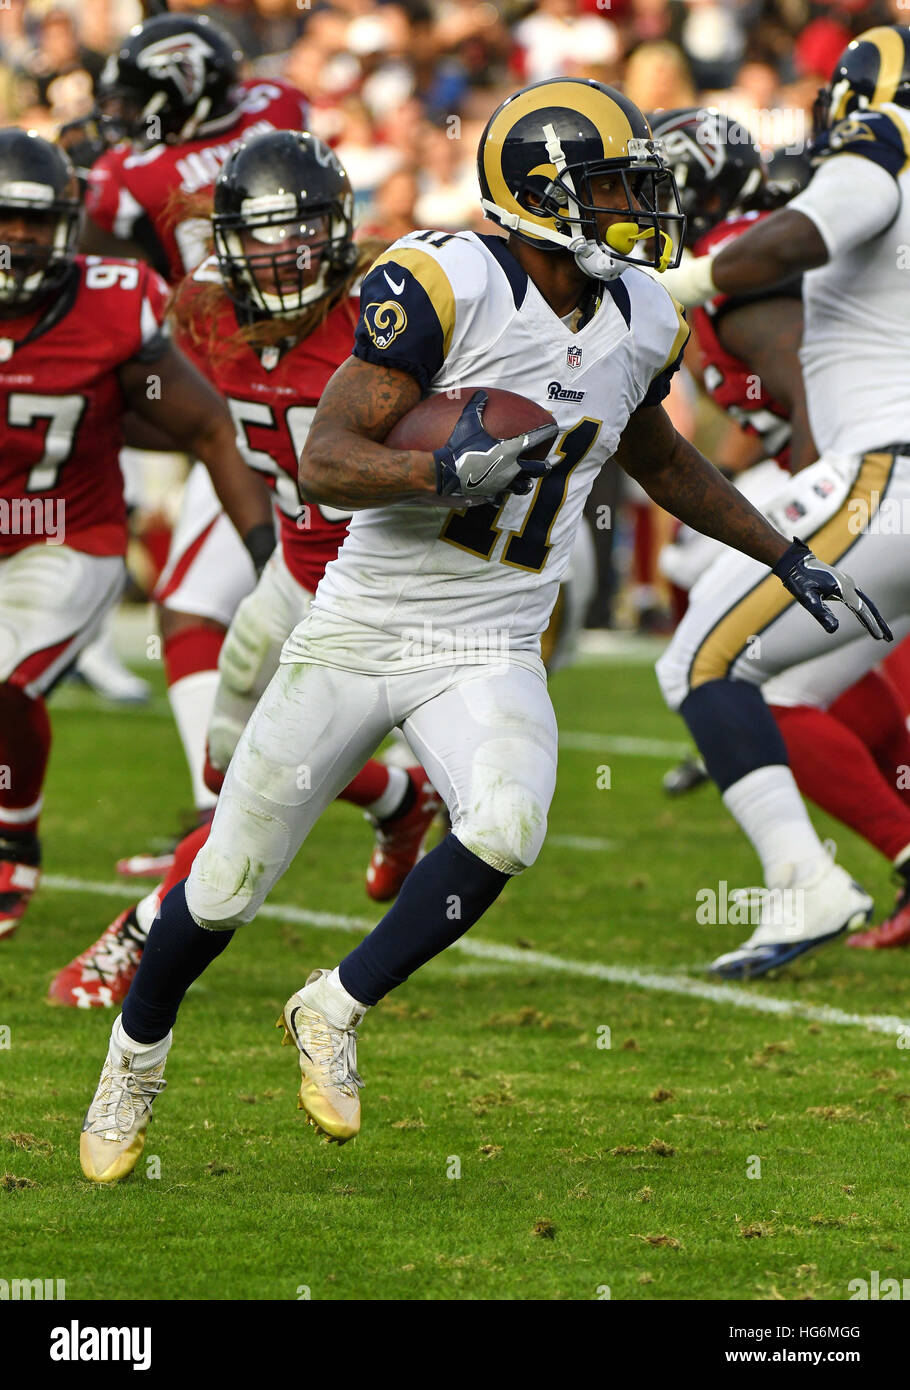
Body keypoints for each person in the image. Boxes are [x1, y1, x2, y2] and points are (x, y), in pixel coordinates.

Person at [79, 78, 886, 1182]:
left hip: (492, 638)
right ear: (536, 193)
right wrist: (436, 468)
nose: (632, 205)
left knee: (506, 822)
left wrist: (782, 552)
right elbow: (324, 459)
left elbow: (658, 459)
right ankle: (134, 1056)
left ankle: (335, 1005)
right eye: (606, 186)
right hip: (361, 623)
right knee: (224, 884)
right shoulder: (449, 280)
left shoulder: (644, 310)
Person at [50, 130, 443, 1007]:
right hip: (292, 576)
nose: (286, 255)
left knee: (259, 784)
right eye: (264, 236)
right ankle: (395, 800)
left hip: (381, 592)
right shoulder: (203, 309)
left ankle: (140, 937)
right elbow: (176, 413)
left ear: (340, 228)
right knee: (225, 764)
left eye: (304, 231)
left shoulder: (391, 311)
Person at [655, 25, 910, 976]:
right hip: (885, 474)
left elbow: (796, 244)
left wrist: (676, 279)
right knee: (795, 683)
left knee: (700, 666)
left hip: (884, 472)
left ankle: (803, 879)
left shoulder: (879, 154)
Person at [0, 129, 273, 938]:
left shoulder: (111, 303)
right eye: (3, 221)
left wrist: (266, 554)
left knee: (8, 679)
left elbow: (208, 426)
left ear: (70, 229)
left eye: (35, 224)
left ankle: (12, 840)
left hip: (64, 537)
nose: (18, 242)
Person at [82, 12, 311, 844]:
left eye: (143, 100)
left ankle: (242, 812)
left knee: (189, 609)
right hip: (307, 367)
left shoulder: (131, 173)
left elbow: (100, 255)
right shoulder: (281, 105)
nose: (128, 115)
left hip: (241, 390)